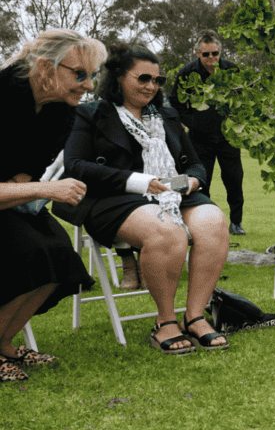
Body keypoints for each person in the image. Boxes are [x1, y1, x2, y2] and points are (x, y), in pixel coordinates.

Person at [61, 44, 229, 355]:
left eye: (157, 80)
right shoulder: (90, 114)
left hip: (168, 192)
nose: (152, 86)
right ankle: (165, 322)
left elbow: (195, 165)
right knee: (166, 229)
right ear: (119, 77)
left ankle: (194, 316)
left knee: (214, 221)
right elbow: (75, 165)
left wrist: (187, 181)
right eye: (143, 78)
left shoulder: (166, 115)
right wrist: (141, 182)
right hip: (114, 198)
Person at [0, 30, 106, 382]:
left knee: (61, 255)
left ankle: (5, 344)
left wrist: (30, 189)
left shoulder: (61, 111)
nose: (88, 85)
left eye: (92, 75)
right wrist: (46, 189)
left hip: (10, 199)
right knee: (33, 251)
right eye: (79, 74)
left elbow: (22, 173)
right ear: (46, 67)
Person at [167, 30, 246, 236]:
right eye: (206, 54)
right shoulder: (186, 72)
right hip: (200, 139)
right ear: (197, 52)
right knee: (202, 181)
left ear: (220, 51)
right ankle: (205, 222)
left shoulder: (232, 70)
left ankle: (236, 223)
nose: (211, 58)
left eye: (215, 53)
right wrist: (191, 122)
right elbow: (175, 101)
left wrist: (237, 120)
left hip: (229, 137)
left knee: (234, 180)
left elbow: (243, 98)